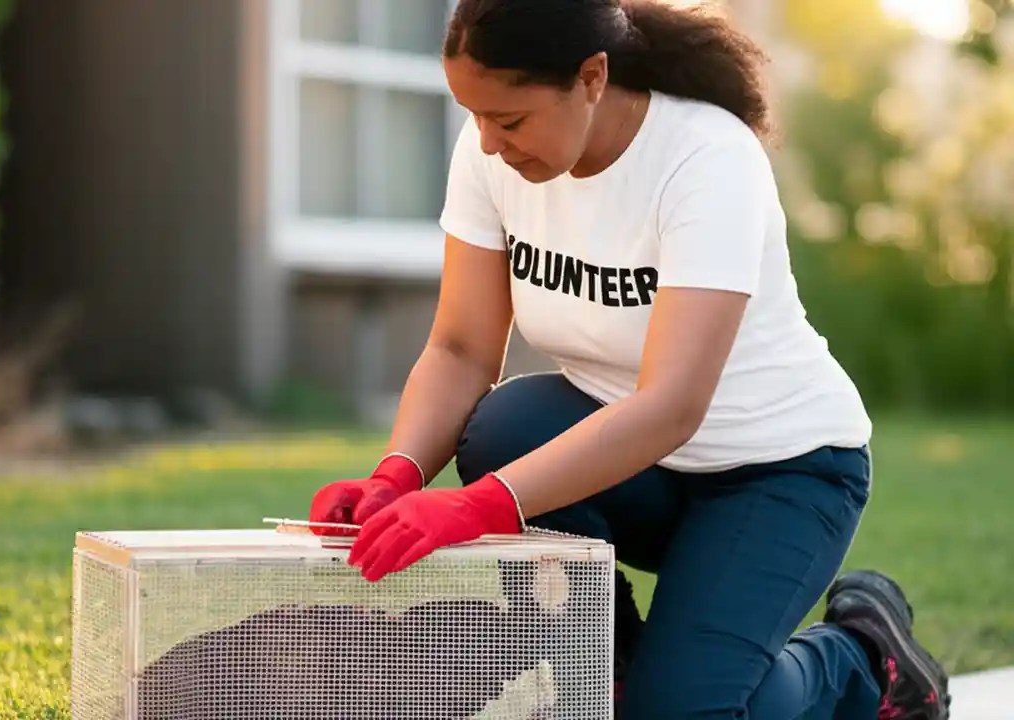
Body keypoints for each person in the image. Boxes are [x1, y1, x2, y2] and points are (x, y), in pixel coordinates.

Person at [307, 0, 951, 718]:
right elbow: (460, 349)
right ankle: (610, 662)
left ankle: (864, 658)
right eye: (474, 115)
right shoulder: (491, 154)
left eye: (510, 120)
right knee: (503, 426)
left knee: (684, 713)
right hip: (633, 471)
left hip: (779, 475)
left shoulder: (707, 157)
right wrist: (395, 476)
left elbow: (671, 405)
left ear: (591, 76)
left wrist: (476, 507)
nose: (488, 143)